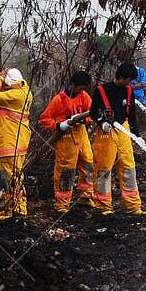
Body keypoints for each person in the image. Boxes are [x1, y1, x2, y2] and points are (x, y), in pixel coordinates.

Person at [87, 61, 146, 216]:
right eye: (128, 80)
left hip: (124, 130)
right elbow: (93, 112)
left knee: (128, 168)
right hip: (107, 133)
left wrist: (137, 135)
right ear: (121, 76)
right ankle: (103, 206)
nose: (129, 83)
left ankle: (133, 206)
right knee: (104, 169)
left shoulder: (128, 91)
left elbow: (131, 114)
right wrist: (102, 123)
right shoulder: (102, 90)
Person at [39, 71, 95, 213]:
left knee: (88, 162)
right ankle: (62, 204)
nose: (81, 91)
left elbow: (92, 114)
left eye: (84, 88)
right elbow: (45, 119)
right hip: (65, 138)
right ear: (73, 85)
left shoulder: (84, 97)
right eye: (80, 88)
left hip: (81, 134)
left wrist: (83, 119)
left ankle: (85, 195)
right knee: (66, 170)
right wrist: (59, 125)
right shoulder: (59, 100)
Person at [0, 67, 33, 221]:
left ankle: (18, 209)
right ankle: (11, 207)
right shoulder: (24, 91)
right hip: (16, 141)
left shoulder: (14, 96)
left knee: (11, 177)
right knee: (13, 176)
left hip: (9, 142)